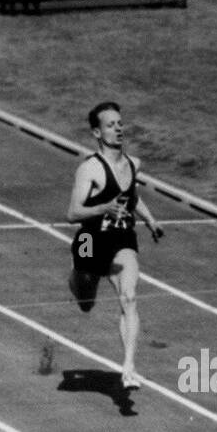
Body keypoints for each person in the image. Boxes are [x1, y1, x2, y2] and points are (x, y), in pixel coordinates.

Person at [66, 103, 164, 390]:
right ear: (97, 132)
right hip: (90, 240)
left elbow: (131, 197)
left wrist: (150, 220)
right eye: (110, 125)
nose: (118, 129)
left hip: (122, 239)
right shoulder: (90, 169)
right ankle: (76, 277)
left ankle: (129, 366)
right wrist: (104, 207)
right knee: (86, 302)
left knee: (129, 297)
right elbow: (72, 213)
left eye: (120, 123)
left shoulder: (133, 164)